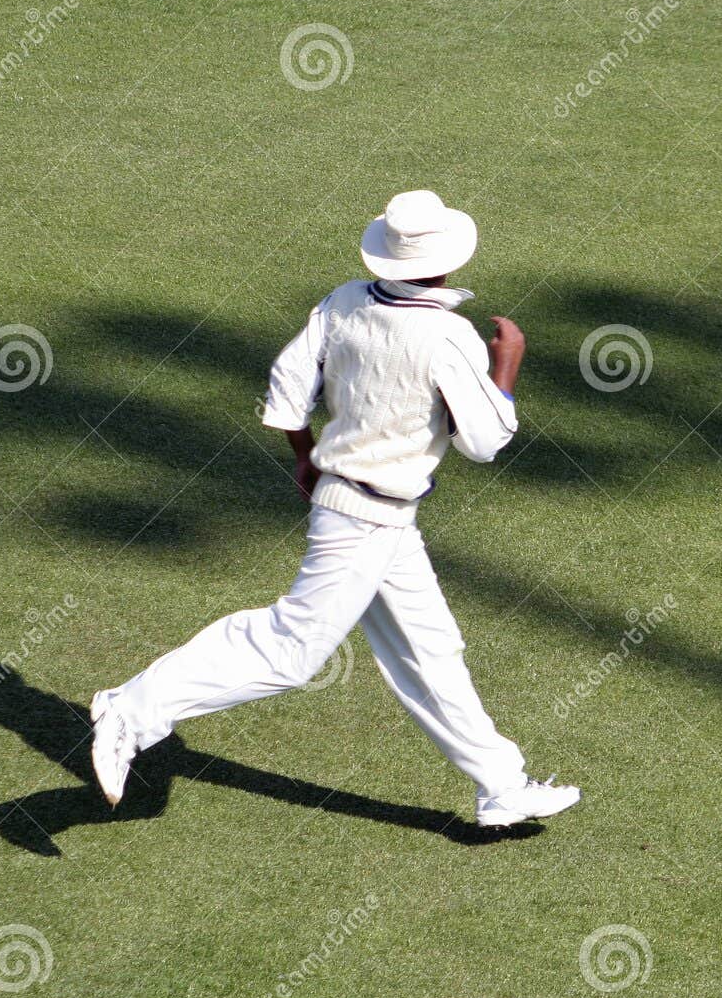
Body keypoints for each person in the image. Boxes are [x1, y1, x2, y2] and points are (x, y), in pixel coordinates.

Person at [90, 190, 581, 829]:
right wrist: (506, 368)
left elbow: (289, 387)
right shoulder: (449, 334)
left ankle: (502, 787)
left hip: (372, 513)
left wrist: (306, 456)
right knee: (293, 650)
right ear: (446, 262)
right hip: (367, 516)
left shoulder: (345, 301)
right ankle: (131, 708)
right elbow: (485, 441)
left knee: (431, 650)